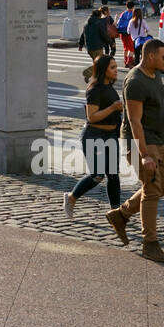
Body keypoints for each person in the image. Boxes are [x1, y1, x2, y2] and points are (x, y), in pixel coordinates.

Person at [104, 39, 164, 262]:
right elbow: (134, 120)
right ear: (150, 56)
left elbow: (155, 104)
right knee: (152, 188)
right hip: (139, 142)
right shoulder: (135, 82)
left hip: (156, 139)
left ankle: (121, 214)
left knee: (163, 186)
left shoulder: (155, 75)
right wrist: (144, 155)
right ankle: (150, 244)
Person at [63, 54, 124, 218]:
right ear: (103, 70)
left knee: (113, 174)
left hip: (110, 135)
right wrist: (113, 108)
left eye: (116, 67)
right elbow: (92, 117)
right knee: (97, 175)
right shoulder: (94, 89)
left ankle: (116, 212)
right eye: (112, 67)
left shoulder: (109, 87)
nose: (116, 70)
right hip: (94, 135)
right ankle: (71, 197)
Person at [79, 7, 107, 80]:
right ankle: (88, 73)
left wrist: (80, 45)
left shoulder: (86, 24)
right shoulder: (99, 23)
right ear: (99, 15)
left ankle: (97, 77)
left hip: (89, 48)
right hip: (97, 47)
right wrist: (111, 43)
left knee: (96, 62)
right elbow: (104, 35)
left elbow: (82, 35)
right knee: (100, 63)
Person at [115, 1, 137, 68]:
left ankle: (125, 61)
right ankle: (129, 62)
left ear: (126, 6)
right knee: (131, 48)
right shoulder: (134, 13)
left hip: (122, 32)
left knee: (125, 48)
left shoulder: (123, 13)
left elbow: (118, 23)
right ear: (133, 6)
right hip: (130, 33)